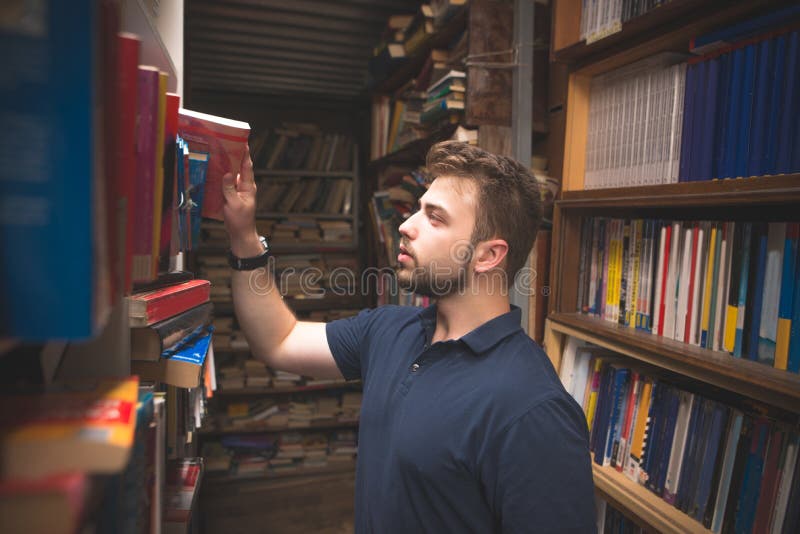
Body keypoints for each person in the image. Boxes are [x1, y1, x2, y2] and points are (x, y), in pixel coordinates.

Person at [222, 141, 597, 533]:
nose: (405, 225)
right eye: (418, 209)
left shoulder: (533, 409)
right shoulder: (388, 329)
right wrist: (243, 236)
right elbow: (279, 340)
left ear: (488, 256)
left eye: (435, 218)